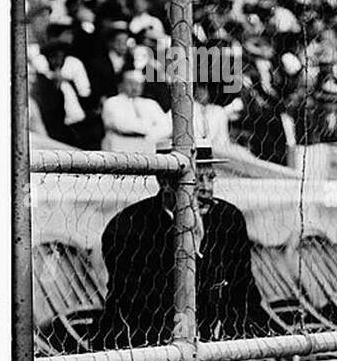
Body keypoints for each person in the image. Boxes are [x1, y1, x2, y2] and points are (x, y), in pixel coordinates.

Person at [95, 144, 270, 349]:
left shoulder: (228, 219)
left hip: (215, 345)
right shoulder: (128, 227)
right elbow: (140, 308)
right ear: (165, 182)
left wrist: (242, 346)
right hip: (145, 347)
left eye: (211, 178)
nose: (207, 188)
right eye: (195, 180)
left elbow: (244, 294)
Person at [101, 68, 170, 152]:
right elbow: (121, 125)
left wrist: (151, 135)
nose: (135, 87)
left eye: (139, 84)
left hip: (146, 150)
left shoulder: (150, 104)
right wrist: (149, 127)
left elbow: (165, 127)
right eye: (130, 83)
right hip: (119, 149)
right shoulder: (112, 102)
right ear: (122, 84)